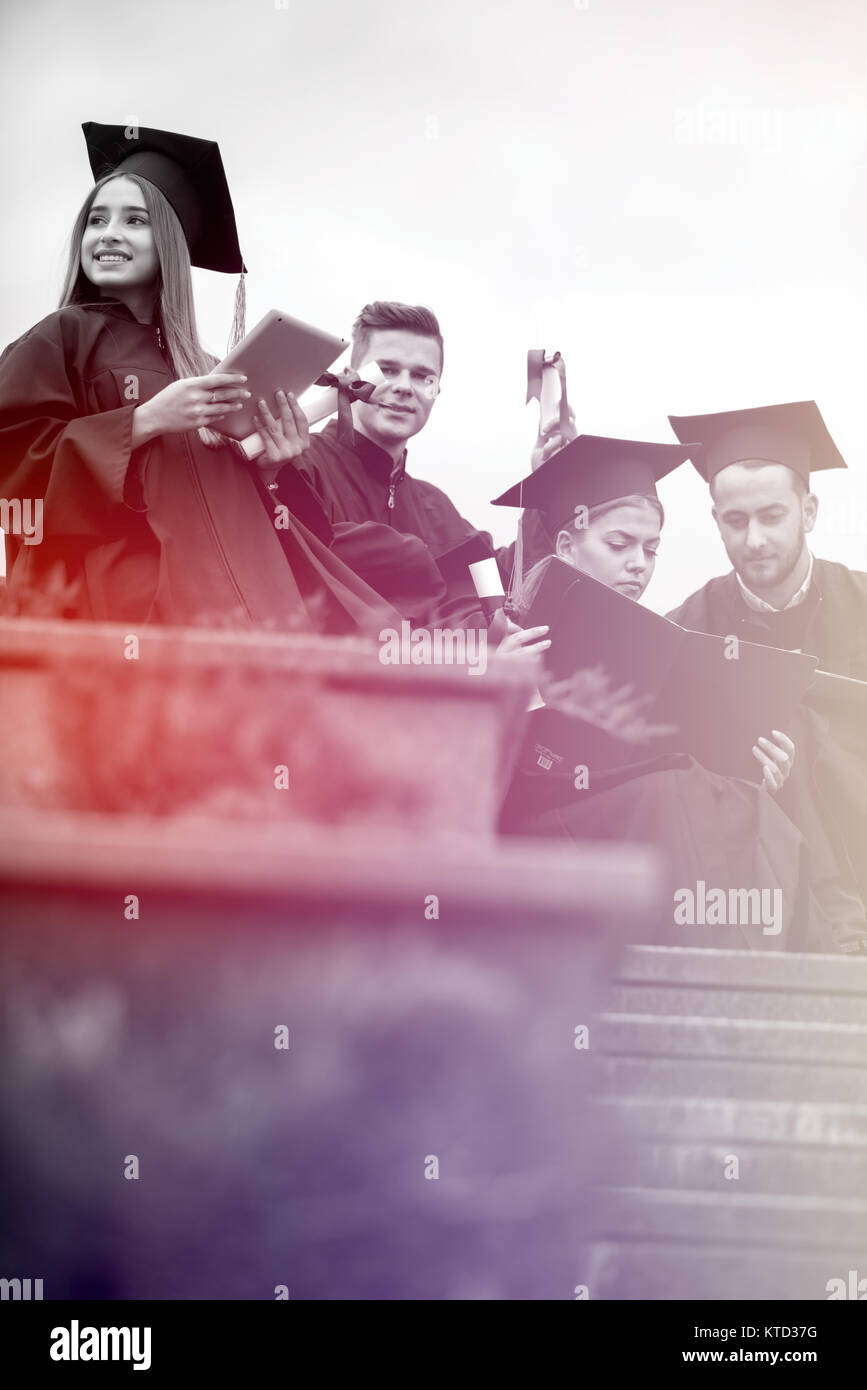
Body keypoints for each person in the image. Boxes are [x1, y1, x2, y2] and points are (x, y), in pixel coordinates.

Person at [0, 123, 398, 634]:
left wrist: (273, 466)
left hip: (221, 624)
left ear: (171, 241)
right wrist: (142, 422)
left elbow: (233, 520)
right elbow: (14, 474)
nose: (108, 234)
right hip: (115, 624)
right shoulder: (62, 337)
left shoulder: (210, 370)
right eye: (96, 220)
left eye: (134, 220)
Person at [491, 433, 832, 952]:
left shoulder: (653, 639)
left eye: (650, 549)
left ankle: (778, 989)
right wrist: (498, 688)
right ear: (566, 545)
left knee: (745, 801)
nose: (639, 564)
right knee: (676, 793)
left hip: (639, 815)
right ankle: (710, 987)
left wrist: (755, 762)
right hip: (544, 824)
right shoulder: (508, 629)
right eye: (619, 544)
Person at [666, 401, 867, 948]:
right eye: (735, 520)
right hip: (755, 892)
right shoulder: (687, 631)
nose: (753, 539)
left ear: (809, 511)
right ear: (716, 521)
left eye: (772, 516)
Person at [286, 300, 513, 627]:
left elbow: (499, 573)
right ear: (350, 377)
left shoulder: (436, 507)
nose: (404, 387)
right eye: (387, 370)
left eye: (422, 376)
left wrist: (547, 496)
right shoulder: (298, 465)